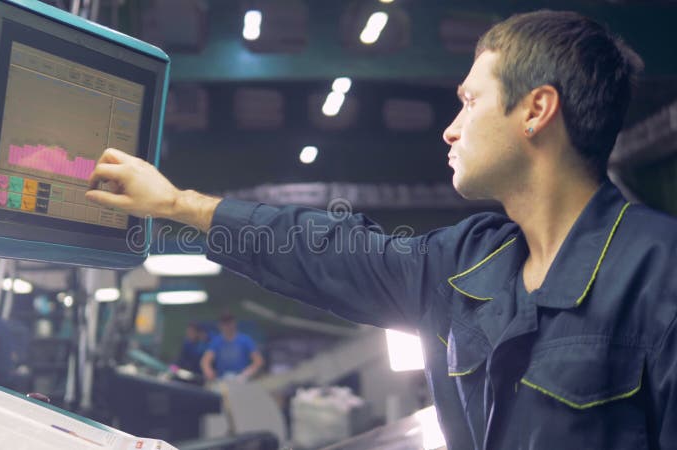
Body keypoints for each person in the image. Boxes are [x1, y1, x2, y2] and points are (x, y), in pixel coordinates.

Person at [85, 10, 677, 449]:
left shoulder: (661, 278)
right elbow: (331, 250)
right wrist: (179, 204)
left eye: (469, 102)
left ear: (536, 110)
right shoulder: (470, 264)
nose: (450, 129)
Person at [200, 313, 263, 382]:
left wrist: (248, 373)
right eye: (224, 324)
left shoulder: (245, 340)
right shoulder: (216, 342)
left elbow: (258, 361)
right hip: (222, 380)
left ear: (234, 323)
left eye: (229, 323)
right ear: (220, 325)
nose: (227, 326)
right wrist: (208, 371)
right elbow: (205, 361)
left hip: (242, 379)